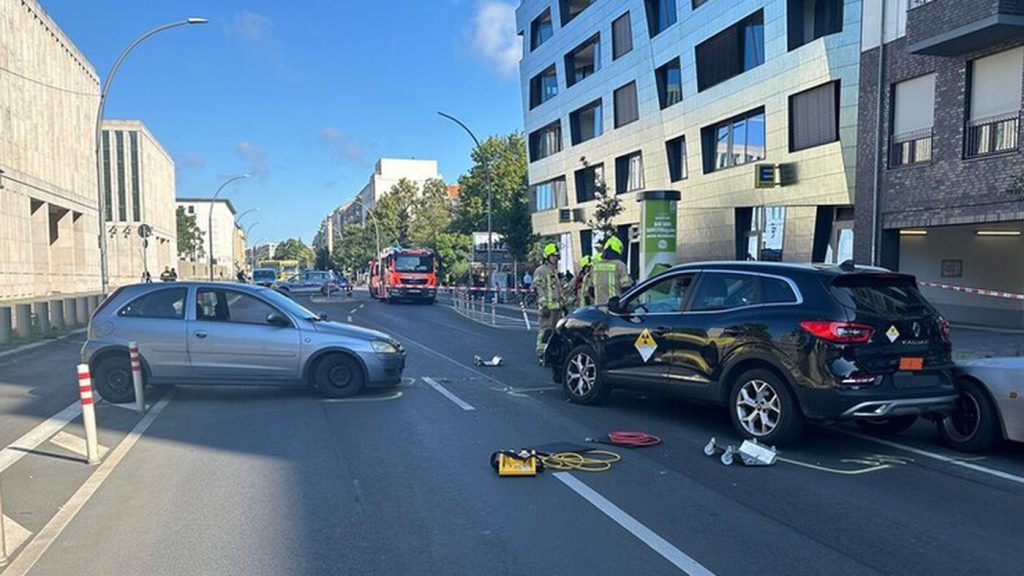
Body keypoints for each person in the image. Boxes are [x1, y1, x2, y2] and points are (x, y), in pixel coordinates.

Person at [534, 242, 567, 364]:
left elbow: (561, 289)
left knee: (556, 331)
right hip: (547, 307)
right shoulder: (540, 270)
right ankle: (541, 353)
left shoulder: (556, 272)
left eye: (557, 256)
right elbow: (539, 288)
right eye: (553, 256)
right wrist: (544, 305)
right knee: (545, 330)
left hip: (557, 308)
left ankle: (552, 353)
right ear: (547, 256)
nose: (555, 258)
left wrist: (564, 304)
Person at [589, 236, 632, 306]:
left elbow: (591, 290)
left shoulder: (595, 266)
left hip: (599, 308)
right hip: (615, 309)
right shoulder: (620, 265)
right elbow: (627, 289)